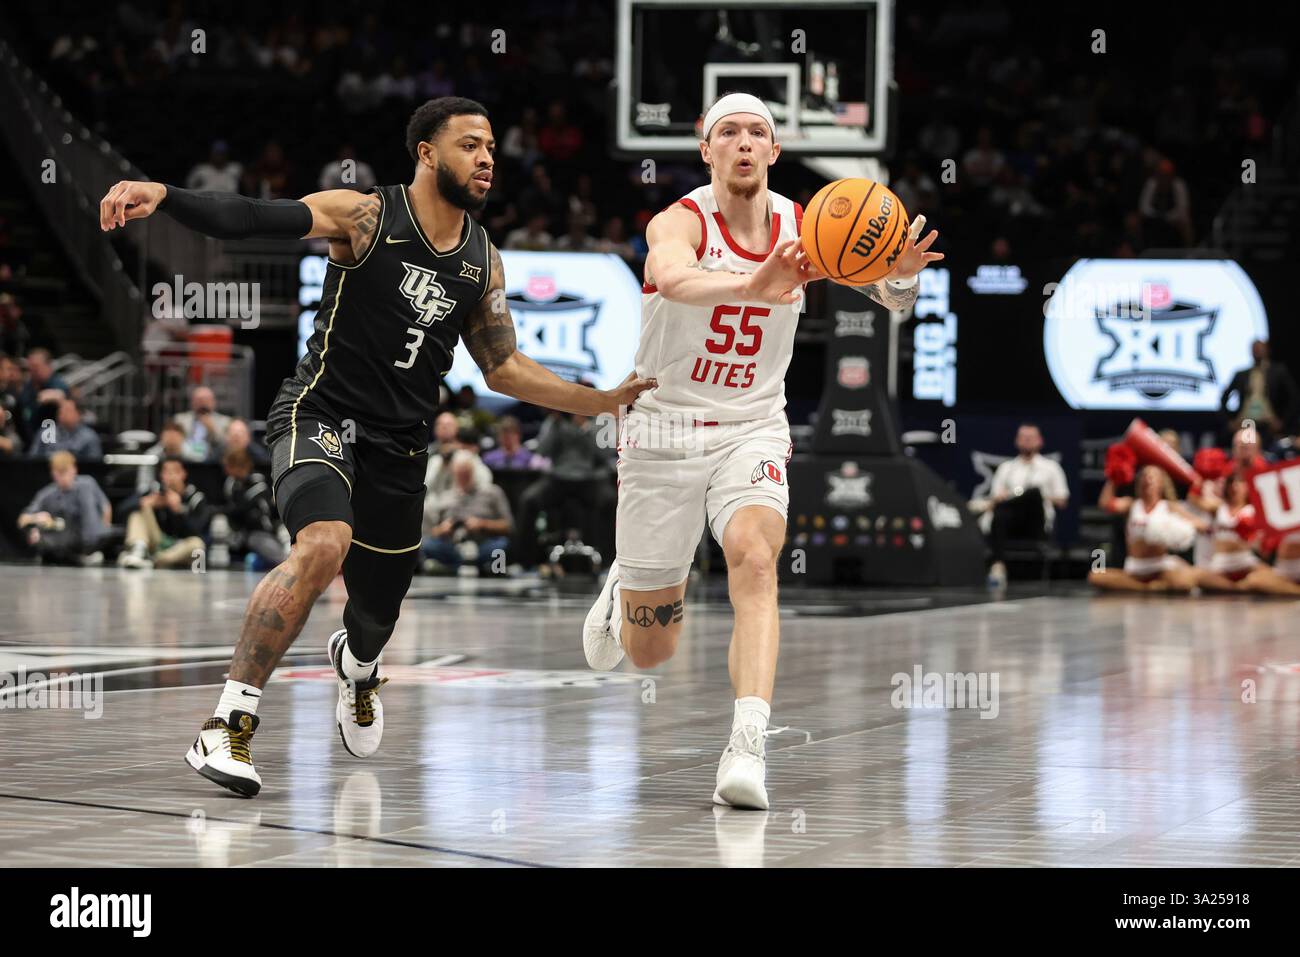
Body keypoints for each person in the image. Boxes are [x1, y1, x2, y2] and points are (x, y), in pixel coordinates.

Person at [99, 95, 653, 797]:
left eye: (490, 148)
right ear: (426, 152)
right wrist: (164, 194)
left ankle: (358, 668)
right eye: (469, 145)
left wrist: (598, 397)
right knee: (323, 543)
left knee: (377, 613)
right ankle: (228, 721)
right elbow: (253, 216)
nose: (486, 158)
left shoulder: (482, 259)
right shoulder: (365, 215)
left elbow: (505, 367)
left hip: (400, 446)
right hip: (318, 415)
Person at [581, 92, 942, 810]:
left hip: (752, 427)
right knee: (652, 650)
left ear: (774, 153)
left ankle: (748, 744)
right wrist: (752, 283)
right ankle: (628, 579)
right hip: (663, 432)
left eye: (757, 132)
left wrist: (897, 274)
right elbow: (675, 278)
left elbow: (893, 302)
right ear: (705, 147)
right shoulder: (678, 219)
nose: (744, 141)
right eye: (729, 132)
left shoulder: (809, 226)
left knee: (754, 555)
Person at [517, 408, 615, 567]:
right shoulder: (556, 421)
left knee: (611, 501)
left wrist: (585, 428)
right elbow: (542, 450)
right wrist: (556, 424)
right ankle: (525, 561)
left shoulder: (600, 421)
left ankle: (609, 562)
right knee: (529, 500)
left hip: (589, 479)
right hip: (558, 478)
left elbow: (606, 453)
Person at [1089, 465, 1204, 592]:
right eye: (1145, 476)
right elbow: (1105, 504)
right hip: (1135, 568)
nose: (1148, 479)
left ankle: (1145, 586)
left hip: (1159, 567)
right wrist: (1113, 478)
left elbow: (1200, 524)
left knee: (1186, 582)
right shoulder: (1131, 505)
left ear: (1161, 482)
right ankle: (1146, 587)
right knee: (1095, 576)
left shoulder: (1169, 507)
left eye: (1153, 477)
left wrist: (1176, 528)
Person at [983, 423, 1069, 588]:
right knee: (1001, 511)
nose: (1027, 441)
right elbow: (994, 499)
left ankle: (1029, 496)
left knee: (1034, 493)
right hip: (1010, 521)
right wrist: (1006, 497)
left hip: (1036, 520)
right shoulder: (1006, 468)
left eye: (1031, 438)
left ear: (1040, 441)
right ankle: (998, 565)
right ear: (1016, 441)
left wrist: (1037, 496)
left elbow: (1062, 500)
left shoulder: (1051, 468)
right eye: (1023, 437)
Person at [1197, 473, 1300, 596]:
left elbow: (1263, 546)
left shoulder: (1254, 510)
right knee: (1199, 577)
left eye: (1239, 483)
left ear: (1247, 487)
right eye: (1232, 483)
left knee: (1261, 578)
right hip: (1221, 562)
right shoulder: (1219, 507)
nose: (1235, 487)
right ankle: (1236, 588)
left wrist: (1254, 537)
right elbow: (1196, 499)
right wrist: (1197, 480)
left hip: (1246, 560)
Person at [421, 450, 514, 574]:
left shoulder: (492, 492)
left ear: (473, 471)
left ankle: (466, 567)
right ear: (454, 473)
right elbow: (430, 532)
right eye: (460, 474)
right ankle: (459, 566)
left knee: (501, 546)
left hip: (484, 544)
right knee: (428, 545)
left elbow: (508, 526)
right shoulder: (445, 497)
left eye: (466, 473)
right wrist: (442, 529)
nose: (463, 478)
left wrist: (483, 524)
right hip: (453, 547)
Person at [117, 456, 214, 569]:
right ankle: (139, 550)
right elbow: (121, 510)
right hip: (157, 542)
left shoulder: (195, 498)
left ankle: (153, 560)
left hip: (180, 546)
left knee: (197, 546)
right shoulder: (156, 493)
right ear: (162, 476)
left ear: (183, 474)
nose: (170, 477)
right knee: (138, 512)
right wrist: (144, 502)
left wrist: (178, 511)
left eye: (174, 472)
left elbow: (196, 531)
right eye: (167, 472)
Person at [17, 450, 111, 565]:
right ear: (53, 474)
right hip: (61, 540)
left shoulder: (87, 484)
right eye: (59, 473)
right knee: (41, 533)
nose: (64, 477)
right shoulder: (47, 494)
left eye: (66, 471)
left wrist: (103, 527)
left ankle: (88, 552)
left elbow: (106, 507)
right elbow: (22, 520)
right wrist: (36, 517)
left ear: (74, 469)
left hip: (88, 538)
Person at [1220, 339, 1299, 446]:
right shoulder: (1241, 374)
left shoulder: (1278, 371)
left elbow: (1293, 398)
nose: (1257, 351)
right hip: (1244, 423)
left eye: (1260, 348)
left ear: (1267, 350)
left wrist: (1283, 421)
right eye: (1254, 349)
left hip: (1269, 424)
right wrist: (1230, 421)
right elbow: (1224, 398)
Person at [26, 397, 102, 461]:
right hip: (46, 474)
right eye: (60, 410)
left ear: (78, 414)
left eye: (67, 410)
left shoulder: (89, 437)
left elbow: (94, 465)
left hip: (79, 476)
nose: (62, 413)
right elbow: (32, 459)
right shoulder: (45, 432)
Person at [172, 385, 232, 461]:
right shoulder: (180, 420)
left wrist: (212, 430)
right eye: (199, 400)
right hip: (184, 460)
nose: (203, 403)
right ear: (192, 402)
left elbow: (227, 446)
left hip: (213, 463)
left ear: (213, 402)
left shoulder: (225, 421)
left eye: (206, 400)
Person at [481, 415, 546, 471]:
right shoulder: (489, 458)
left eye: (511, 434)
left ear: (518, 435)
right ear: (499, 437)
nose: (508, 438)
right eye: (504, 435)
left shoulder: (529, 458)